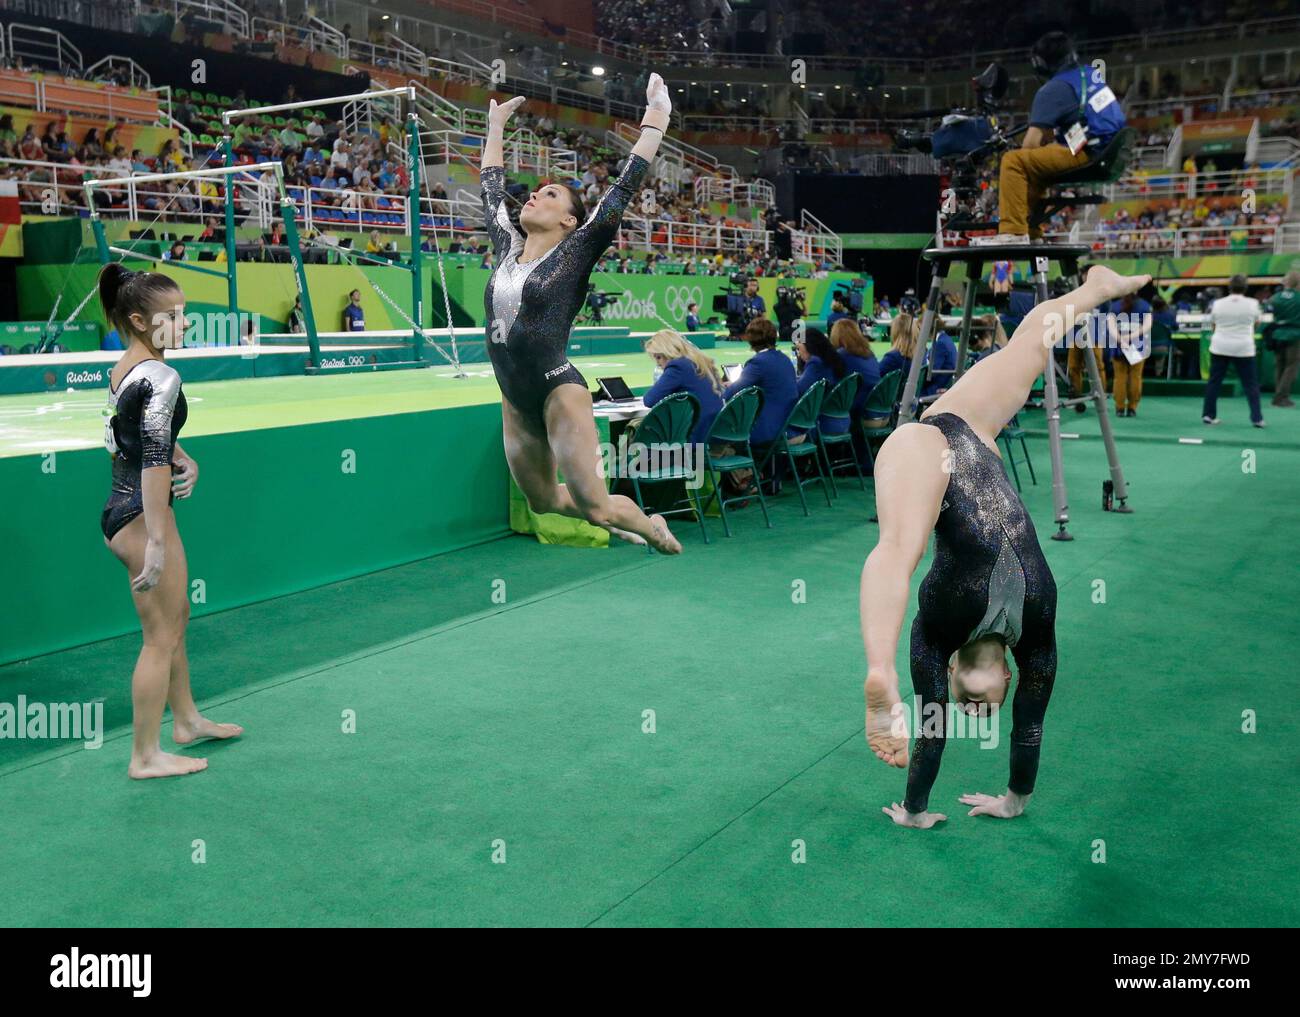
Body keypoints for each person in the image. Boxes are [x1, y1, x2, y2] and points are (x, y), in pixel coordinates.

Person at [861, 266, 1150, 828]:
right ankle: (879, 669)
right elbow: (936, 736)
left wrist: (1008, 800)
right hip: (944, 435)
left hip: (963, 436)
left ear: (1008, 675)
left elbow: (1027, 727)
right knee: (899, 547)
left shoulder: (1037, 630)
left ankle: (1094, 289)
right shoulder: (936, 638)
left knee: (1033, 341)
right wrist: (914, 810)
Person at [480, 75, 681, 553]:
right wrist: (495, 125)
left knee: (595, 507)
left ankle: (648, 525)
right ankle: (620, 518)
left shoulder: (577, 251)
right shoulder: (507, 248)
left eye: (550, 195)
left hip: (557, 390)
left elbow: (625, 185)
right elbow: (491, 188)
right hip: (514, 398)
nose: (534, 196)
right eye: (536, 192)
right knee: (545, 501)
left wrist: (657, 116)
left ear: (570, 220)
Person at [97, 264, 242, 779]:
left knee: (176, 614)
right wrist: (156, 540)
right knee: (158, 634)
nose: (185, 325)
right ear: (139, 319)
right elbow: (151, 458)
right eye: (174, 317)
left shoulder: (128, 365)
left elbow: (132, 436)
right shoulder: (163, 375)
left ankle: (185, 720)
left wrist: (185, 454)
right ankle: (144, 755)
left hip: (127, 506)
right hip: (142, 514)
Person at [980, 32, 1125, 244]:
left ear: (1040, 64)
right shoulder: (1090, 74)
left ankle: (1012, 231)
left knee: (1014, 161)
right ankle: (1031, 230)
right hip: (1110, 152)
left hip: (1088, 152)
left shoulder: (1054, 88)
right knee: (1037, 171)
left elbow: (1030, 144)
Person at [1202, 274, 1264, 427]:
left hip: (1220, 346)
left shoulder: (1218, 303)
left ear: (1229, 287)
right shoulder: (1253, 303)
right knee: (1251, 384)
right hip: (1244, 347)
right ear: (1245, 287)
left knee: (1214, 382)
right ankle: (1257, 419)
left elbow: (1214, 325)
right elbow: (1256, 324)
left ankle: (1208, 416)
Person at [642, 330, 724, 443]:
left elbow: (649, 400)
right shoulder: (700, 362)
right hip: (715, 431)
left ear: (668, 352)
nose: (657, 363)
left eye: (658, 357)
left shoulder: (677, 366)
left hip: (696, 437)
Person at [795, 327, 850, 435]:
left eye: (798, 347)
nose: (798, 351)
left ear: (807, 346)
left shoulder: (815, 363)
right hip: (842, 420)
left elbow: (799, 391)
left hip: (824, 422)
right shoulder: (832, 360)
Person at [1107, 289, 1152, 417]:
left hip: (1119, 347)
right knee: (1135, 377)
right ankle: (1132, 408)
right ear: (1136, 290)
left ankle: (1119, 408)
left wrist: (1121, 340)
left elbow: (1111, 327)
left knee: (1119, 378)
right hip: (1137, 347)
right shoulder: (1145, 305)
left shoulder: (1114, 306)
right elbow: (1148, 326)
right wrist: (1132, 337)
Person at [1266, 269, 1300, 407]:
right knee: (1290, 366)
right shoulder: (1299, 297)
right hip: (1294, 335)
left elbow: (1269, 311)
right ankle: (1281, 397)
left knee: (1279, 365)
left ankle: (1279, 396)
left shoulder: (1275, 297)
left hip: (1278, 335)